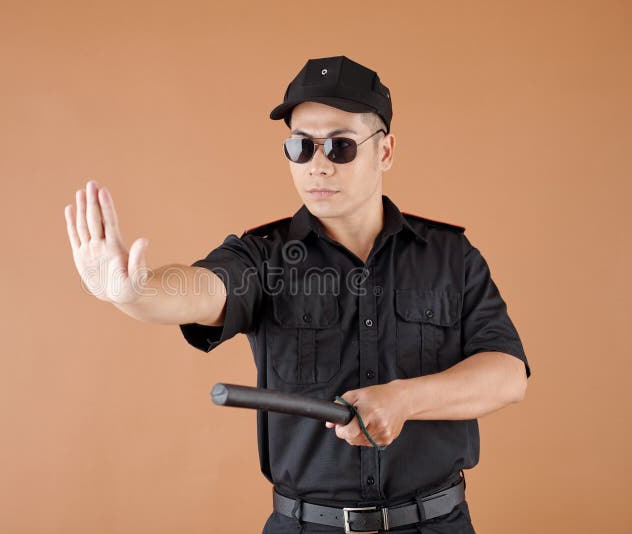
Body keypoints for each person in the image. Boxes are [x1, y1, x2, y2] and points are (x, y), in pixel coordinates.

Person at [63, 55, 531, 534]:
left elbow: (508, 374)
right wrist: (136, 293)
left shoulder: (451, 256)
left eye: (340, 147)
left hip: (436, 524)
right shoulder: (264, 257)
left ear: (385, 151)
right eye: (301, 147)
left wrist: (404, 400)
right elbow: (202, 289)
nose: (318, 166)